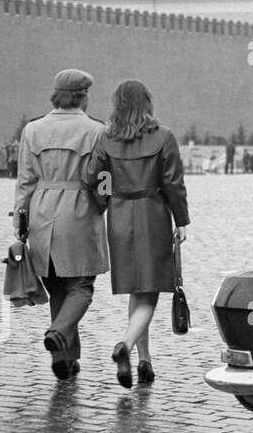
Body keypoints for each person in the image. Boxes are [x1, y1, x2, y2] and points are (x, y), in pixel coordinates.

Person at [84, 80, 191, 388]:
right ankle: (126, 346)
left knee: (136, 289)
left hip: (119, 217)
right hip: (152, 215)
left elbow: (93, 176)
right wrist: (180, 220)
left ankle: (144, 362)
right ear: (147, 103)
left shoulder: (106, 139)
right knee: (150, 292)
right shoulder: (163, 137)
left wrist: (106, 198)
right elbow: (173, 183)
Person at [15, 69, 108, 380]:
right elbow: (103, 179)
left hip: (42, 211)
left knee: (57, 287)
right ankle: (58, 333)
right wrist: (103, 204)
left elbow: (25, 180)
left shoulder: (33, 130)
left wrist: (21, 219)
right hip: (80, 210)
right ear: (82, 96)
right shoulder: (96, 130)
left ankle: (63, 358)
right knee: (81, 286)